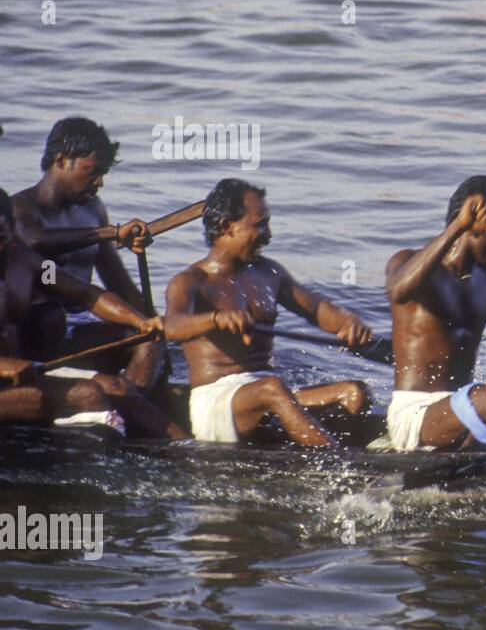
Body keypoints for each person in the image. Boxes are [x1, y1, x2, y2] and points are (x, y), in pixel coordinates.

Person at [164, 179, 372, 446]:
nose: (269, 234)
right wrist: (215, 319)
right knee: (272, 389)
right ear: (227, 226)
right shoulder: (190, 281)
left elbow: (316, 308)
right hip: (217, 401)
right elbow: (172, 326)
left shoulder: (269, 272)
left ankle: (327, 462)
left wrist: (348, 321)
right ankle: (339, 465)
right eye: (259, 224)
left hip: (268, 391)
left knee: (354, 393)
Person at [0, 188, 185, 438]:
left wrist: (140, 321)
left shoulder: (30, 264)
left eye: (1, 236)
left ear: (12, 229)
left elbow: (85, 294)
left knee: (117, 386)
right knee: (90, 393)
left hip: (28, 372)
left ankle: (185, 447)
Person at [11, 117, 165, 392]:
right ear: (61, 161)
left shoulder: (92, 209)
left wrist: (153, 321)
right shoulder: (20, 207)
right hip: (40, 331)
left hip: (83, 323)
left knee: (148, 341)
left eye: (103, 173)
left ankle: (130, 406)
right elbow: (36, 242)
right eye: (92, 171)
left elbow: (116, 281)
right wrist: (111, 233)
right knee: (51, 316)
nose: (100, 182)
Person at [384, 176, 486, 450]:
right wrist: (457, 226)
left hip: (465, 406)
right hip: (416, 415)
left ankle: (485, 449)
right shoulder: (407, 261)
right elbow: (398, 291)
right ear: (474, 224)